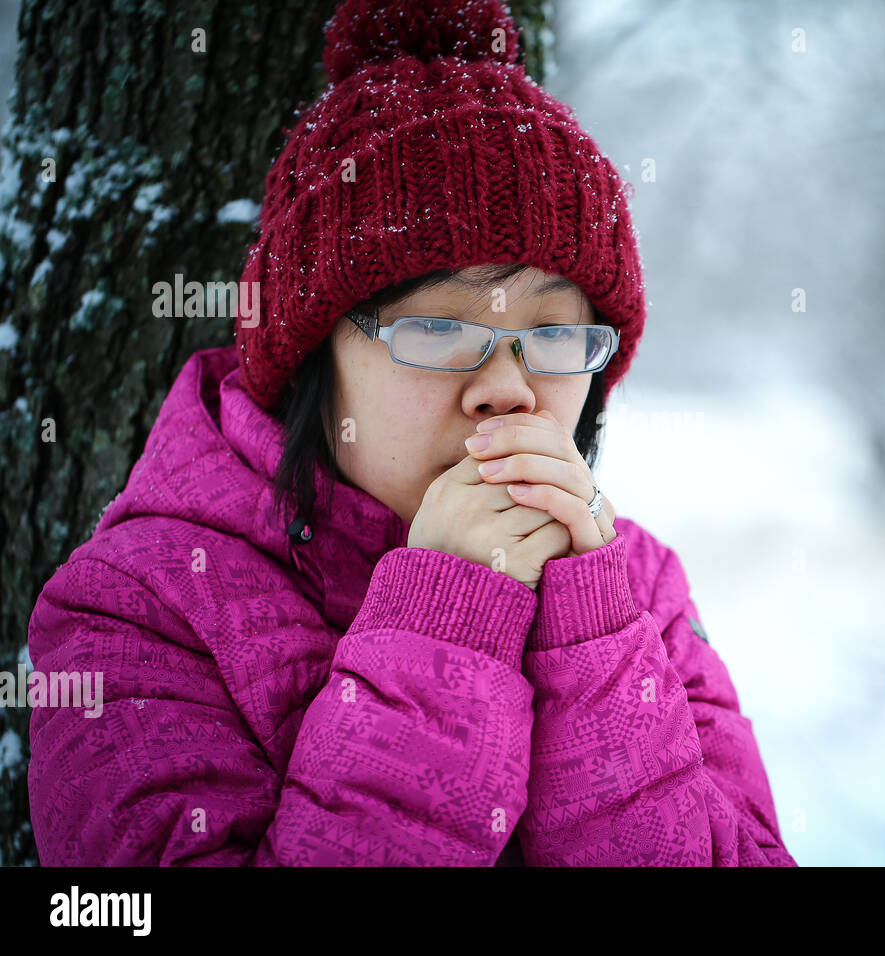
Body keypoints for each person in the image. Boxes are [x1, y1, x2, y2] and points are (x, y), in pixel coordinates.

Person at [25, 0, 796, 866]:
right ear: (312, 357)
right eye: (437, 329)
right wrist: (445, 624)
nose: (508, 391)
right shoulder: (141, 610)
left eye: (554, 336)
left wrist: (593, 647)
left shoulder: (636, 591)